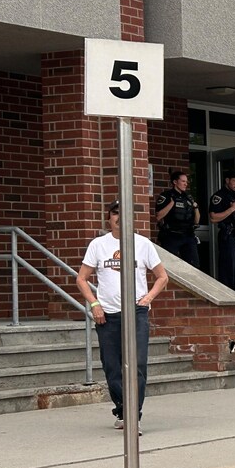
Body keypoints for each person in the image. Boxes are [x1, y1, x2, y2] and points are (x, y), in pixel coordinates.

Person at [75, 201, 169, 433]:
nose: (119, 217)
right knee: (112, 366)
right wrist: (94, 304)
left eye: (123, 213)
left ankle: (132, 415)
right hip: (107, 314)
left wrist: (148, 298)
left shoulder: (143, 244)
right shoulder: (98, 245)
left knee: (137, 364)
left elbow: (162, 277)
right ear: (109, 218)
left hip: (135, 312)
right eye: (115, 214)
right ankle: (122, 407)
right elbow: (81, 278)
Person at [154, 169, 199, 267]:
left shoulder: (188, 197)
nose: (185, 184)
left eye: (186, 182)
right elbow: (158, 216)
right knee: (170, 266)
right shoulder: (166, 196)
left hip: (188, 235)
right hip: (172, 236)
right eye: (183, 181)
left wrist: (195, 207)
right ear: (175, 182)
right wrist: (171, 203)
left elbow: (197, 221)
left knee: (193, 266)